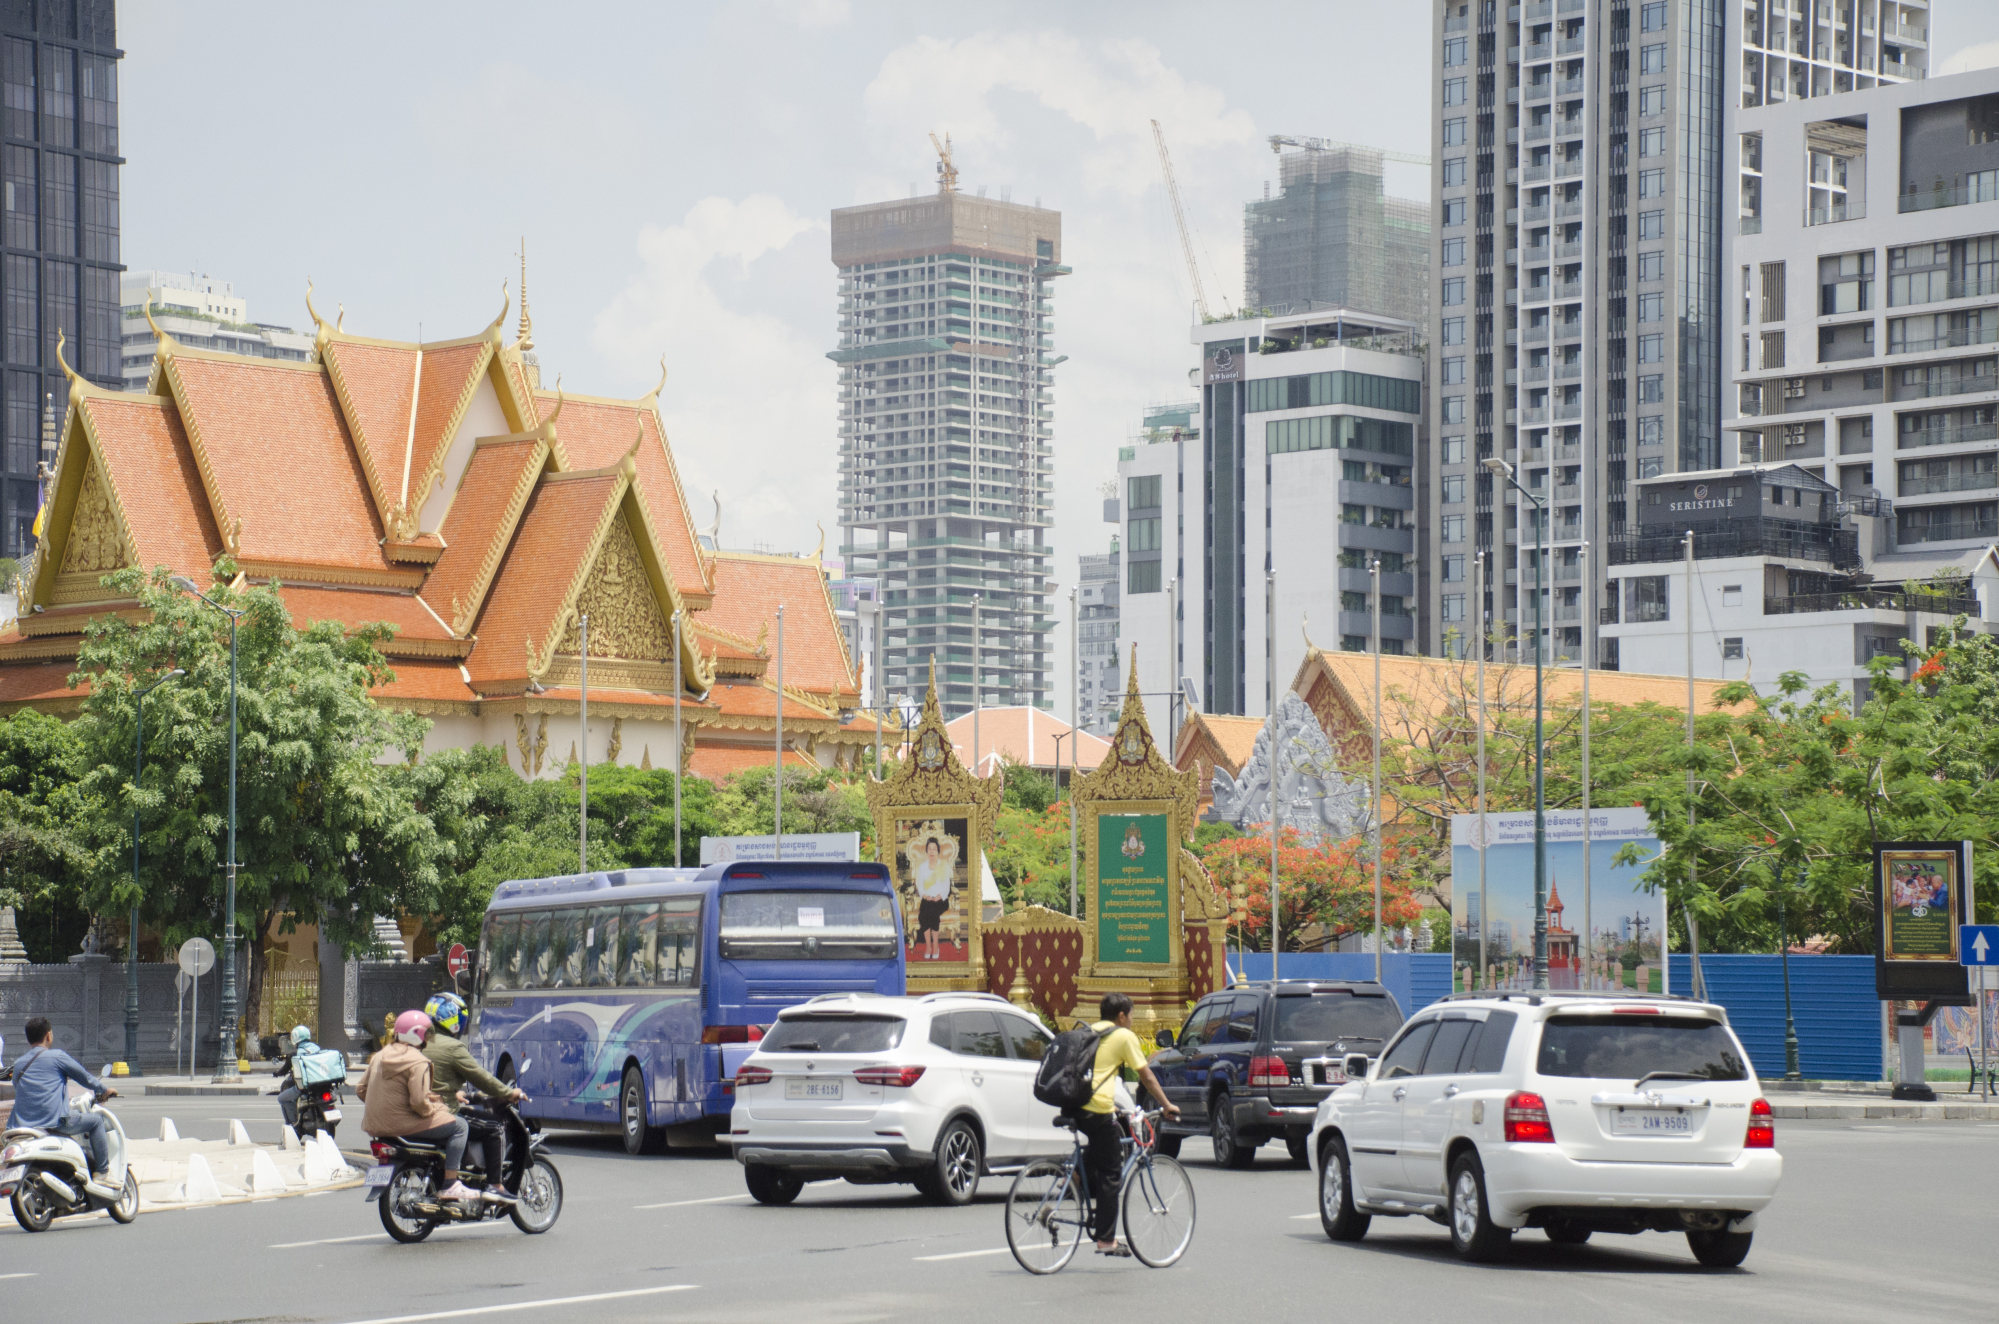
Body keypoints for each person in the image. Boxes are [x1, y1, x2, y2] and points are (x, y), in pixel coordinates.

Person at [1069, 992, 1179, 1258]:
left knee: (1100, 1144)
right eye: (1131, 1015)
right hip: (1097, 1108)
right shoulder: (1122, 1036)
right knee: (1112, 1172)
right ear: (1121, 1016)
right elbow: (1147, 1076)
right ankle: (1107, 1240)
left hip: (1074, 1103)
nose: (1132, 1021)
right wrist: (1166, 1104)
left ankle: (1070, 1177)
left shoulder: (1089, 1031)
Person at [357, 1010, 476, 1203]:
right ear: (417, 1034)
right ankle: (451, 1183)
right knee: (460, 1126)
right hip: (403, 1124)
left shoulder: (380, 1056)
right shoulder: (417, 1060)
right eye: (426, 1033)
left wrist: (382, 1106)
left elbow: (361, 1089)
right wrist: (433, 1110)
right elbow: (419, 1102)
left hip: (376, 1125)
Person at [420, 992, 524, 1205]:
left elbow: (432, 1080)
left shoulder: (420, 1042)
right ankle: (495, 1186)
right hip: (443, 1112)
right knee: (494, 1126)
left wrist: (455, 1092)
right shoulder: (452, 1047)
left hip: (420, 1110)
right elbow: (481, 1077)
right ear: (453, 1019)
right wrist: (508, 1092)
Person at [8, 1016, 120, 1197]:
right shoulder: (57, 1056)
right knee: (96, 1121)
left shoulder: (19, 1064)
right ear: (48, 1036)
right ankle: (102, 1172)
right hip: (54, 1121)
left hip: (22, 1125)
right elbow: (84, 1077)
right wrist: (105, 1089)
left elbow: (18, 1088)